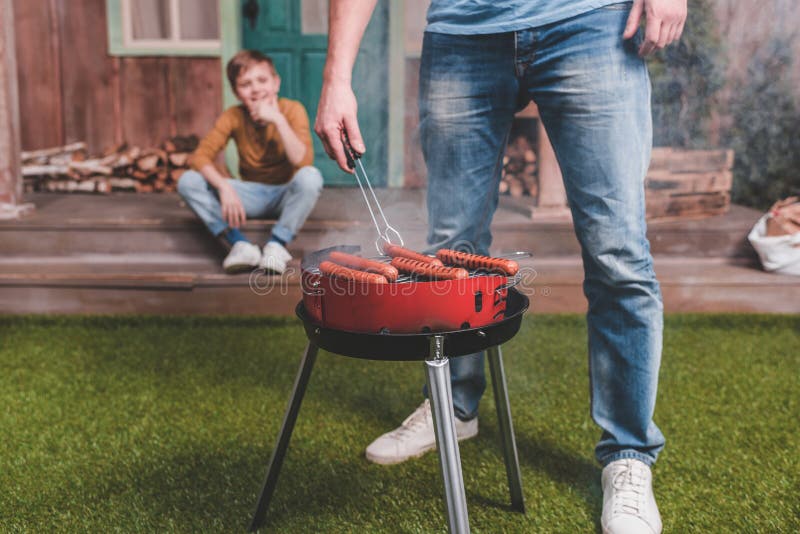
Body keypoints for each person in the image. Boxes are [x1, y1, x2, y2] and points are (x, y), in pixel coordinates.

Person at [315, 0, 686, 532]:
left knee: (618, 255)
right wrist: (337, 76)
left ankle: (629, 454)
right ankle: (454, 410)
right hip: (461, 34)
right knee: (448, 248)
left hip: (591, 21)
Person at [178, 50, 323, 274]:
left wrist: (277, 119)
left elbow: (302, 161)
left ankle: (277, 245)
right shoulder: (233, 116)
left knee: (311, 176)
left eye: (262, 80)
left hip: (285, 194)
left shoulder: (292, 110)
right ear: (237, 92)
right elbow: (199, 156)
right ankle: (240, 244)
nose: (255, 89)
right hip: (249, 196)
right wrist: (224, 186)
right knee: (188, 181)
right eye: (246, 84)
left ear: (276, 83)